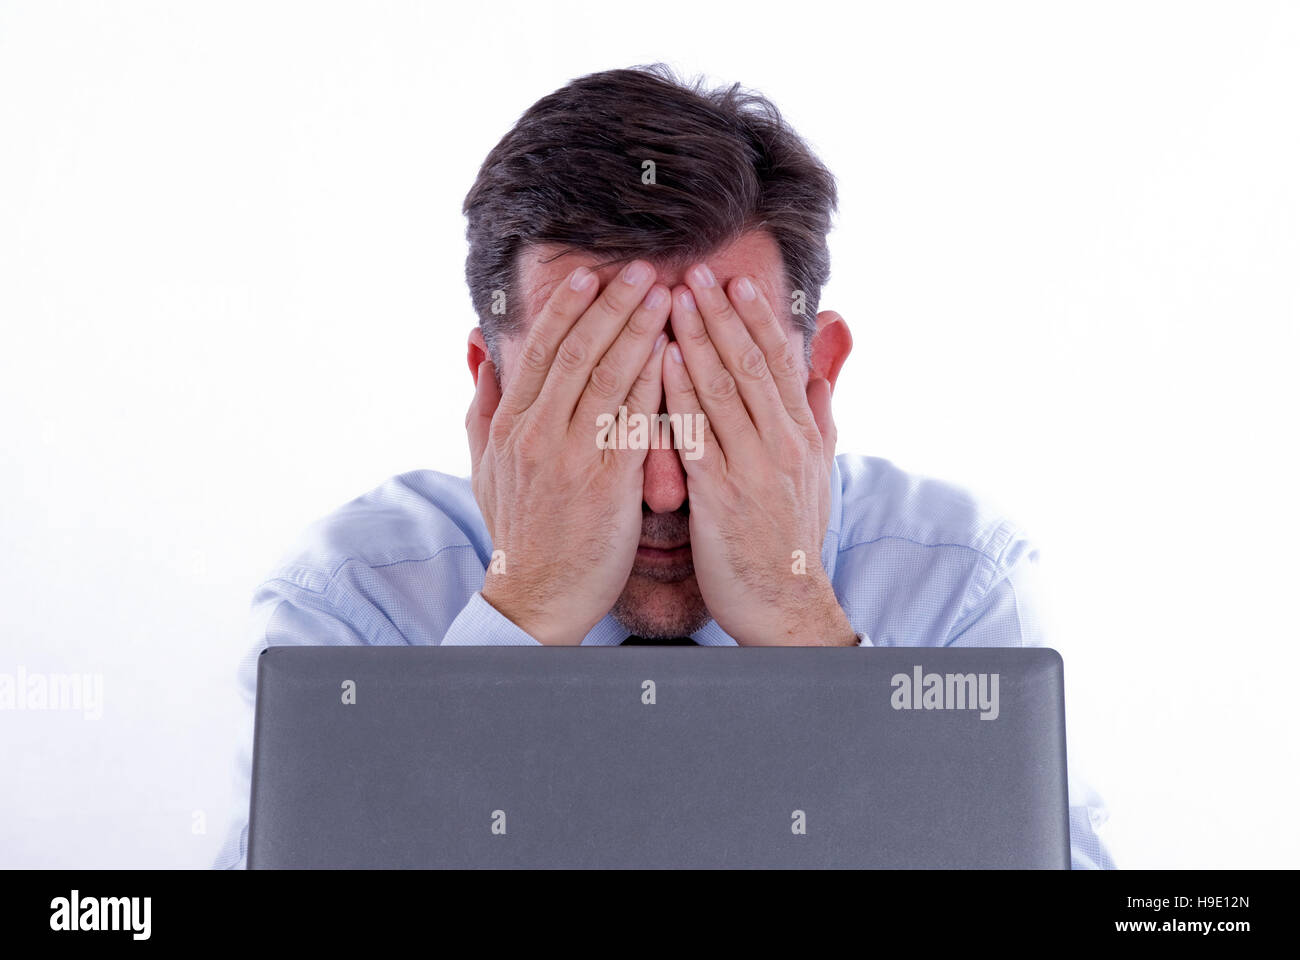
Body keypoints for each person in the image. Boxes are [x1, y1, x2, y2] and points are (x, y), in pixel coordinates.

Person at [213, 64, 1114, 869]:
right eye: (601, 412)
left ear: (815, 383)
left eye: (719, 409)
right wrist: (524, 613)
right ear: (492, 400)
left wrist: (799, 622)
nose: (662, 489)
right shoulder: (353, 604)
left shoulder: (958, 585)